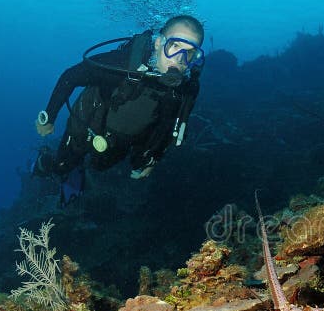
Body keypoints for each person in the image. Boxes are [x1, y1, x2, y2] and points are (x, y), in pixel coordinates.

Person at [31, 14, 205, 205]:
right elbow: (71, 76)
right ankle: (44, 162)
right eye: (174, 46)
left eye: (189, 53)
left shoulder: (184, 88)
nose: (179, 60)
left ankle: (80, 171)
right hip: (88, 122)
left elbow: (169, 124)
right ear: (158, 43)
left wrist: (151, 159)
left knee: (99, 166)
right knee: (62, 165)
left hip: (121, 138)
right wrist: (48, 117)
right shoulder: (123, 64)